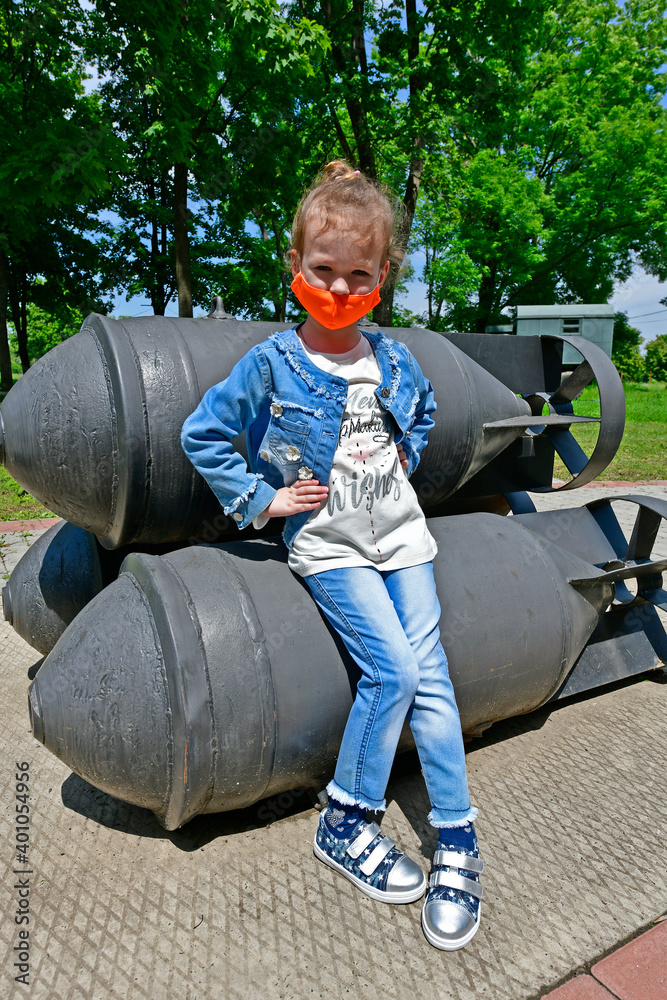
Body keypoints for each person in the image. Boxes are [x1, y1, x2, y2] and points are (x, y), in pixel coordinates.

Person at [181, 160, 483, 951]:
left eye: (359, 275)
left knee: (434, 678)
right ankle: (347, 819)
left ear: (382, 276)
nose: (341, 290)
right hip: (332, 544)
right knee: (395, 671)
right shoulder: (273, 364)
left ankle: (455, 836)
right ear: (296, 268)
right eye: (324, 272)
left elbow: (423, 413)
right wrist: (262, 502)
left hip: (402, 538)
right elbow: (203, 434)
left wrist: (401, 465)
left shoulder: (392, 358)